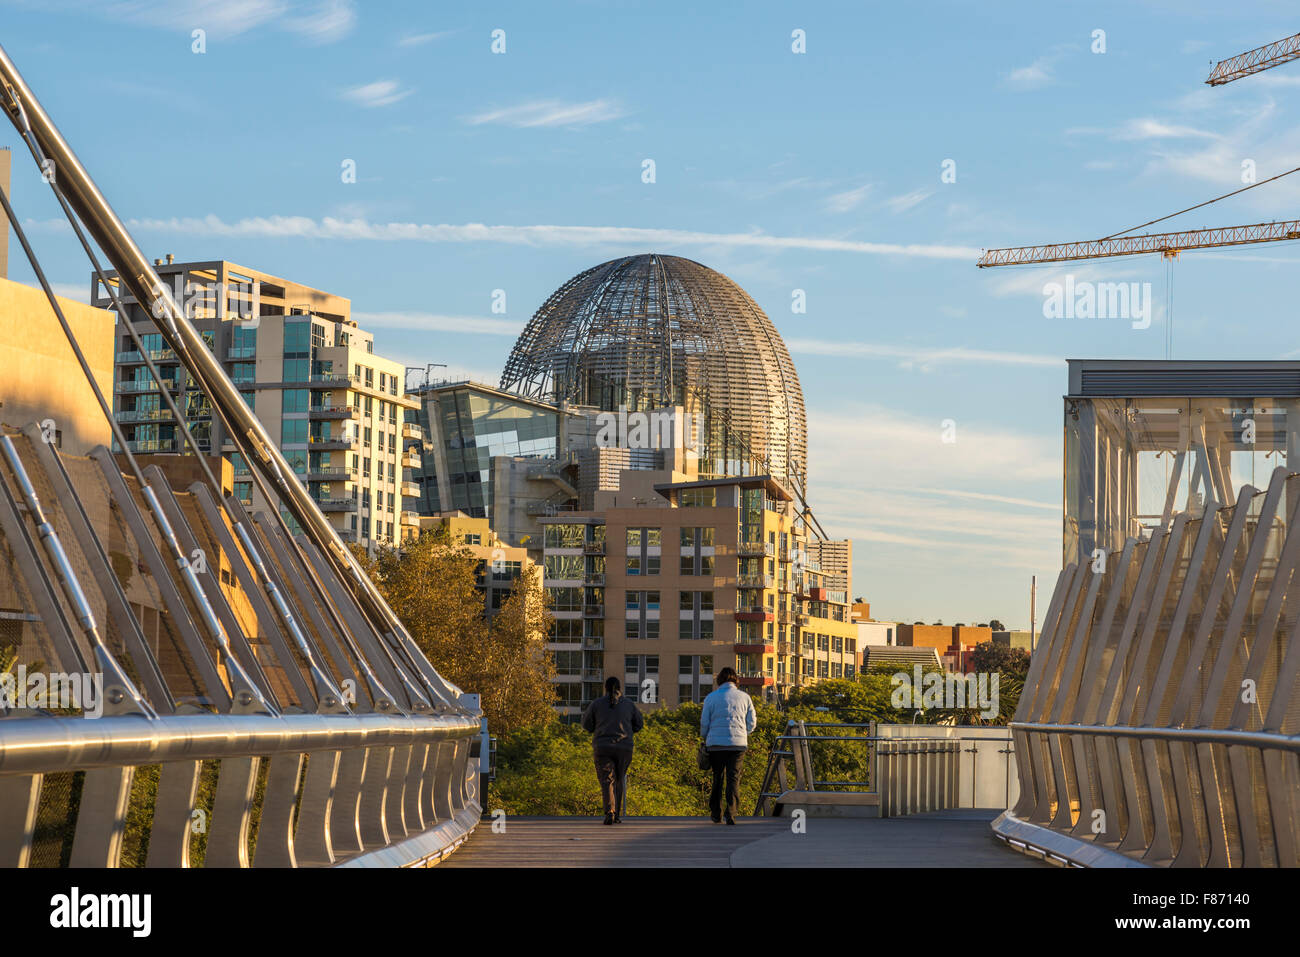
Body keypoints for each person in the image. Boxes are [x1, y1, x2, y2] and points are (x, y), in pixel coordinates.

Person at [581, 676, 644, 824]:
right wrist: (628, 731)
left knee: (607, 779)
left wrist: (597, 729)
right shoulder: (629, 704)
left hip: (602, 746)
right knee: (620, 778)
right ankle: (616, 815)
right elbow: (639, 724)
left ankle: (610, 811)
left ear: (605, 688)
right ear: (620, 688)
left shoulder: (596, 704)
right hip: (625, 746)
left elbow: (586, 725)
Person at [699, 667, 758, 824]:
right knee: (733, 778)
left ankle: (716, 813)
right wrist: (742, 733)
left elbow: (704, 723)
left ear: (719, 681)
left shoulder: (711, 698)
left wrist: (706, 737)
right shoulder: (745, 697)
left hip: (715, 745)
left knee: (717, 777)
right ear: (736, 680)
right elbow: (752, 722)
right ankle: (731, 813)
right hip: (737, 745)